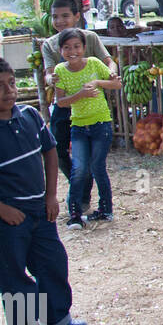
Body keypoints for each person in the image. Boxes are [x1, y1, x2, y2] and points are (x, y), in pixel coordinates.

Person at [0, 60, 88, 325]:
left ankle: (57, 317)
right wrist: (0, 209)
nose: (9, 91)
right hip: (6, 219)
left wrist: (51, 196)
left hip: (41, 210)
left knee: (52, 263)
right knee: (14, 275)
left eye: (12, 83)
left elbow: (50, 151)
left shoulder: (30, 116)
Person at [41, 0, 116, 211]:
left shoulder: (90, 38)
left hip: (91, 104)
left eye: (65, 15)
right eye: (55, 16)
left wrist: (111, 72)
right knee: (57, 149)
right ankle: (81, 184)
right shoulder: (49, 44)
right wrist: (51, 80)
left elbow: (108, 60)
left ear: (76, 16)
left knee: (93, 159)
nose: (60, 20)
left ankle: (83, 197)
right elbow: (48, 74)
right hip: (65, 104)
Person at [52, 29, 121, 228]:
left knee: (97, 167)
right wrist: (81, 94)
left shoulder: (93, 63)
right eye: (67, 47)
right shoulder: (60, 71)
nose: (72, 51)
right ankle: (74, 213)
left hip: (101, 124)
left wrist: (98, 82)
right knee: (79, 168)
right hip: (79, 126)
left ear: (83, 47)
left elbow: (116, 84)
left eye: (76, 47)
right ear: (60, 50)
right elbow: (61, 102)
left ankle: (106, 210)